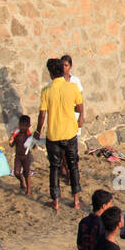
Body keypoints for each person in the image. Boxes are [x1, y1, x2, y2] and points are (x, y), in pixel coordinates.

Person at [34, 57, 83, 212]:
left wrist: (37, 130)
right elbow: (79, 108)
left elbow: (42, 115)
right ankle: (76, 200)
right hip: (70, 133)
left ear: (50, 73)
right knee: (73, 165)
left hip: (53, 135)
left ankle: (55, 200)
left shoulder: (46, 91)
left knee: (54, 168)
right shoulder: (73, 87)